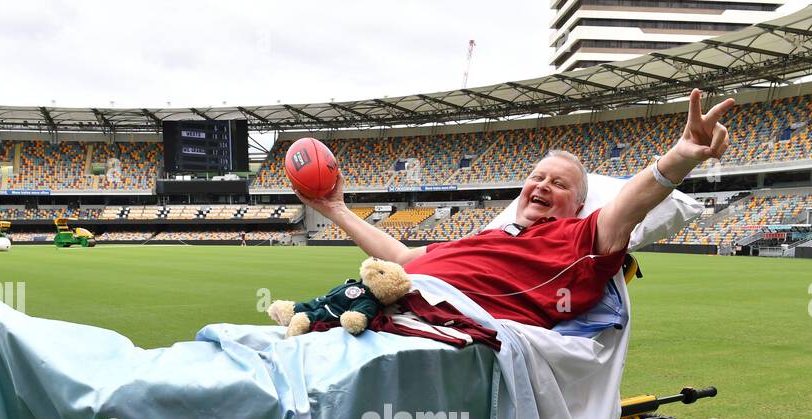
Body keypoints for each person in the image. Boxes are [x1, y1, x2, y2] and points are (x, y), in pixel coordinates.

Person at [294, 89, 734, 331]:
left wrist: (682, 156)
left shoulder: (576, 240)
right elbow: (408, 261)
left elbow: (629, 206)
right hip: (393, 302)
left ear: (579, 205)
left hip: (430, 322)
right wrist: (335, 208)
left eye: (559, 184)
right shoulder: (490, 236)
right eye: (537, 177)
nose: (542, 185)